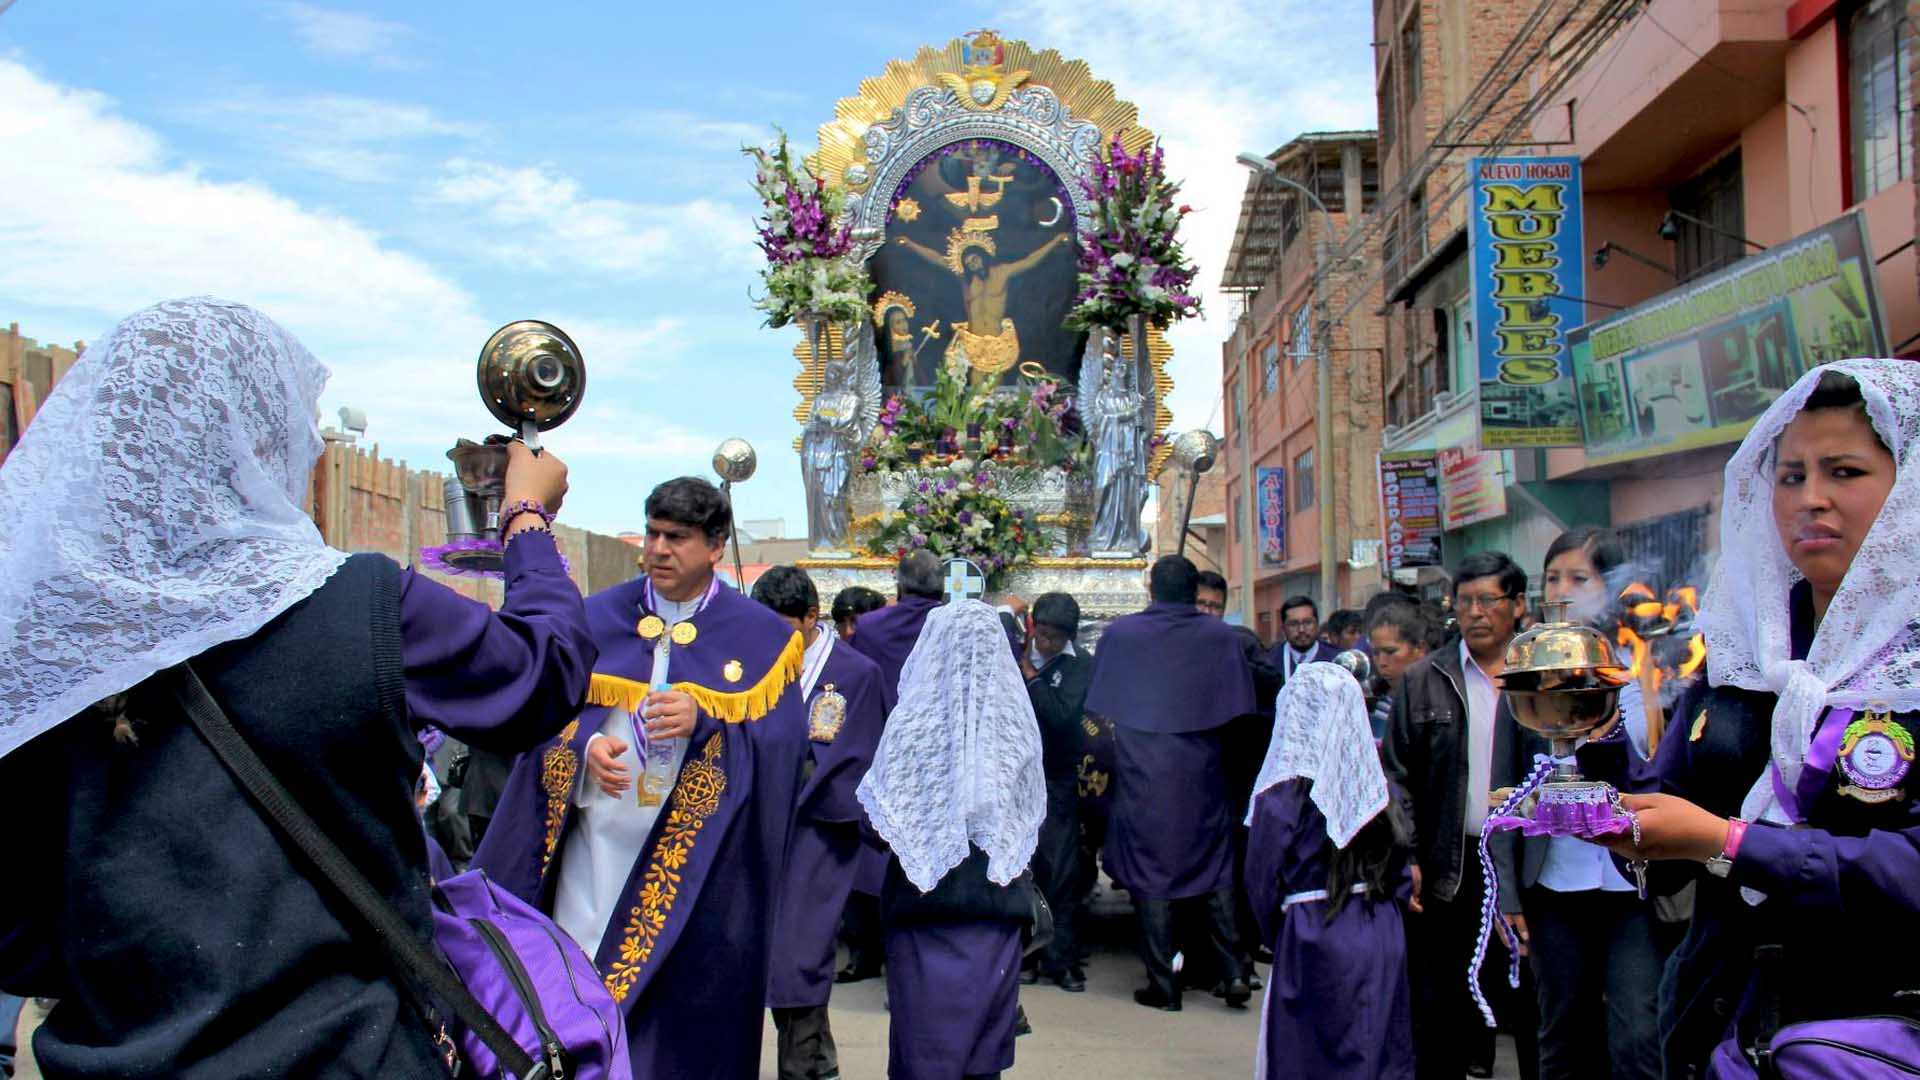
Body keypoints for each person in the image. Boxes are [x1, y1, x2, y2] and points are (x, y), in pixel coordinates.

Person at [0, 299, 594, 1077]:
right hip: (346, 1052)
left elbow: (18, 936)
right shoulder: (350, 605)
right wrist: (524, 516)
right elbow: (538, 677)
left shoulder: (38, 641)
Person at [1576, 362, 1920, 1077]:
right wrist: (1596, 740)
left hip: (1878, 1035)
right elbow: (1665, 835)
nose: (1810, 500)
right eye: (1790, 476)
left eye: (1844, 471)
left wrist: (1730, 842)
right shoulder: (1742, 650)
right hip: (1720, 1023)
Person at [473, 476, 809, 1079]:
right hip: (589, 864)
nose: (657, 549)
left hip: (696, 877)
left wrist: (709, 723)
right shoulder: (594, 618)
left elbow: (783, 756)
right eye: (652, 533)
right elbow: (544, 719)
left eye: (676, 537)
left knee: (672, 1030)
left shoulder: (763, 641)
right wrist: (580, 754)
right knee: (576, 1005)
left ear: (714, 545)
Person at [1490, 528, 1661, 1080]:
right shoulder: (1530, 667)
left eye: (1578, 578)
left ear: (1610, 585)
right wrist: (1509, 892)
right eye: (1552, 578)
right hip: (1555, 884)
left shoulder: (1646, 670)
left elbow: (1661, 767)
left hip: (1632, 882)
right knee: (1560, 1027)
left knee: (1639, 1031)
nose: (1562, 590)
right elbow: (1505, 783)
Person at [857, 601, 1046, 1080]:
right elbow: (1030, 818)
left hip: (924, 919)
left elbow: (875, 822)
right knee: (982, 1056)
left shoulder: (912, 727)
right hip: (997, 914)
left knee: (923, 1052)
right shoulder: (1016, 728)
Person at [1382, 552, 1539, 1080]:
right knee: (1442, 998)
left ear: (1517, 605)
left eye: (1487, 600)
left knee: (1526, 994)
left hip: (1528, 858)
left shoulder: (1543, 673)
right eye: (1464, 601)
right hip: (1454, 858)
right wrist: (1410, 852)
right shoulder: (1426, 679)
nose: (1474, 612)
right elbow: (1397, 772)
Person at [1086, 555, 1257, 1011]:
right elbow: (1241, 712)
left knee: (1151, 871)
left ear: (1150, 588)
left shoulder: (1121, 635)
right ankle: (1234, 971)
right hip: (1202, 767)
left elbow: (1099, 707)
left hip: (1145, 768)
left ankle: (1164, 984)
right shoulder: (1221, 636)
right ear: (1191, 590)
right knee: (1215, 866)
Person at [1246, 663, 1415, 1079]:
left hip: (1314, 929)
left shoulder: (1281, 797)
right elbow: (1400, 868)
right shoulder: (1377, 787)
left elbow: (1260, 883)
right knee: (1377, 1045)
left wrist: (1277, 934)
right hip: (1381, 927)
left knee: (1311, 1053)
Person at [755, 567, 889, 1080]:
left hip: (822, 832)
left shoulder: (856, 673)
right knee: (773, 959)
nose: (771, 639)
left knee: (799, 956)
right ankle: (818, 1062)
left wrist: (804, 774)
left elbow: (864, 754)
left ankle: (802, 1068)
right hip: (764, 831)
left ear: (811, 617)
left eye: (781, 626)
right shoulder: (756, 663)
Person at [838, 551, 948, 983]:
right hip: (940, 755)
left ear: (898, 587)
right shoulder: (952, 624)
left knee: (880, 849)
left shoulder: (870, 627)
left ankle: (870, 951)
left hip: (887, 750)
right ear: (942, 589)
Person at [1199, 568, 1285, 977]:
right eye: (1202, 604)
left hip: (1237, 779)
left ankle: (1240, 957)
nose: (1208, 612)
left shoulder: (1240, 643)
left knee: (1236, 867)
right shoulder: (1175, 647)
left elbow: (1270, 689)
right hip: (1192, 781)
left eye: (1215, 606)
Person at [1020, 592, 1093, 992]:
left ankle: (1061, 960)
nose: (1046, 643)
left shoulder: (1080, 665)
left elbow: (1065, 718)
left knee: (1061, 873)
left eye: (1054, 638)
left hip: (1057, 780)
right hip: (1017, 780)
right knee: (1020, 871)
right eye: (1042, 634)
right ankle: (1026, 957)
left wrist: (1032, 678)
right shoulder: (1012, 654)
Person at [1365, 598, 1434, 744]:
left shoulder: (1438, 703)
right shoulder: (1375, 704)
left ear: (1420, 649)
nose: (1382, 662)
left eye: (1390, 652)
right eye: (1376, 653)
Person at [1270, 595, 1336, 683]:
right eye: (1293, 624)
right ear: (1283, 628)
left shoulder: (1335, 659)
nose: (1301, 630)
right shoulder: (1270, 663)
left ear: (1317, 625)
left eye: (1308, 622)